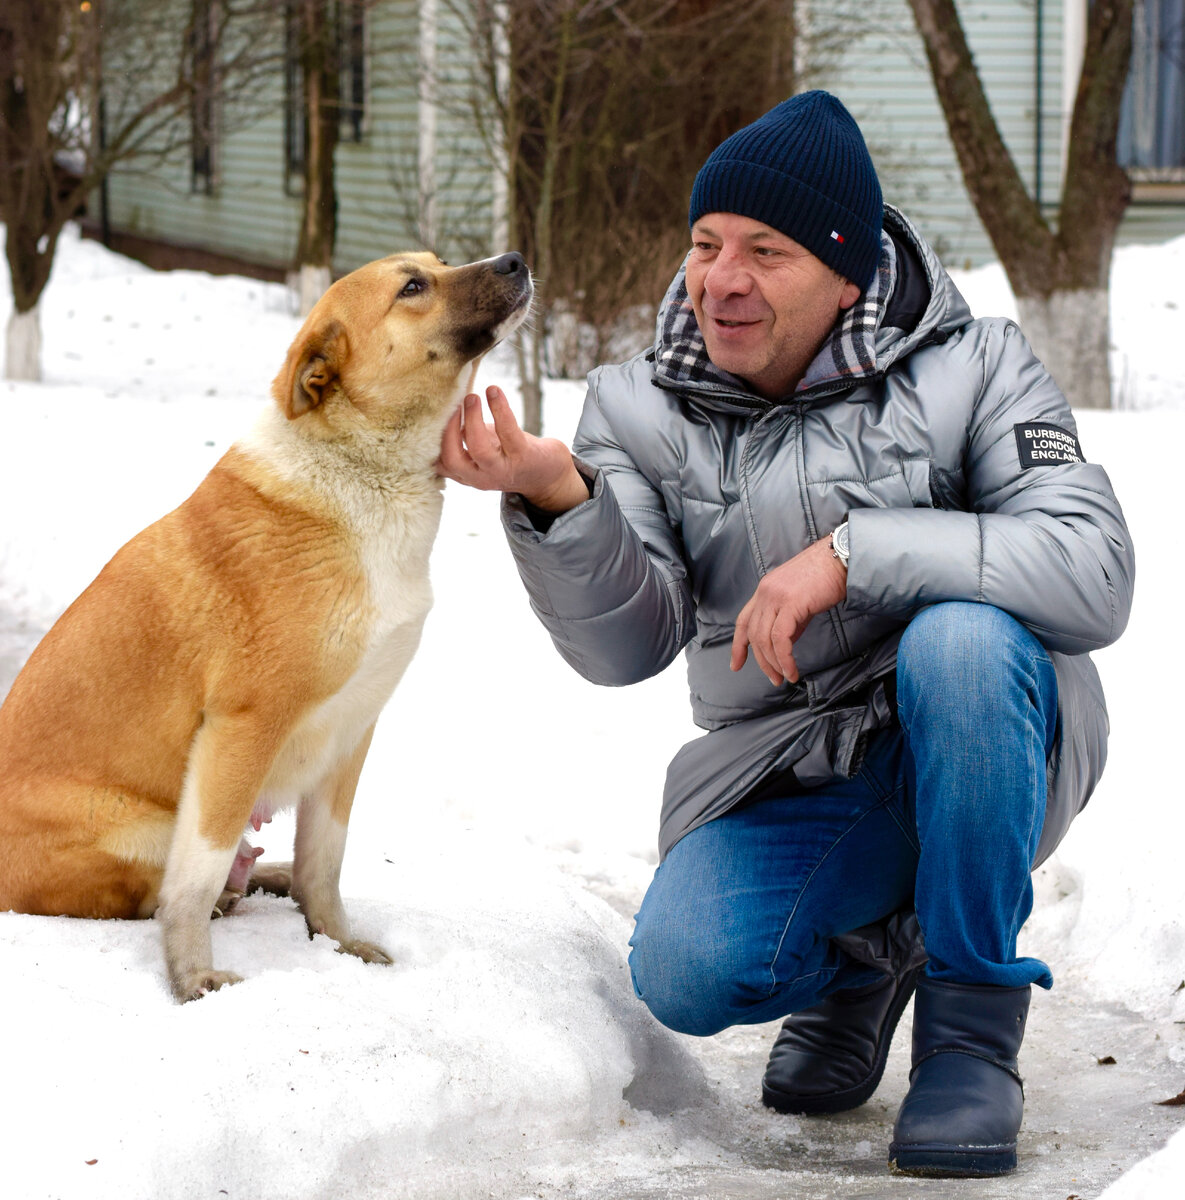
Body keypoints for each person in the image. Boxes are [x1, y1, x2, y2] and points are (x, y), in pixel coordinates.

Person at [437, 90, 1134, 1177]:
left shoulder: (979, 366)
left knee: (960, 639)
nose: (721, 279)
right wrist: (562, 499)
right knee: (686, 967)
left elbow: (1094, 572)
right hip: (789, 777)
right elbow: (627, 647)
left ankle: (967, 1032)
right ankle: (870, 964)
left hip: (987, 740)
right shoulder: (638, 407)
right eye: (707, 244)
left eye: (767, 250)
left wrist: (860, 552)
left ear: (847, 272)